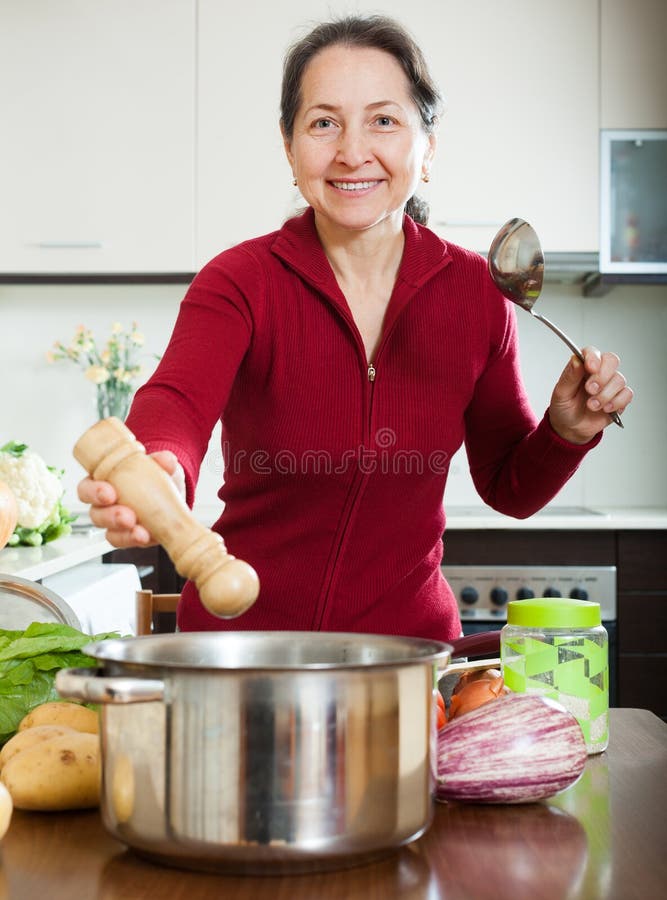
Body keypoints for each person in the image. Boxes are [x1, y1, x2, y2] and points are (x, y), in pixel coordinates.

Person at [78, 14, 633, 642]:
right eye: (324, 123)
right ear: (289, 148)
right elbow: (176, 401)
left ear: (427, 147)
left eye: (384, 120)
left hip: (407, 660)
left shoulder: (479, 292)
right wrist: (161, 470)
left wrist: (564, 432)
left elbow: (510, 488)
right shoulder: (239, 280)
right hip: (242, 651)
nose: (352, 151)